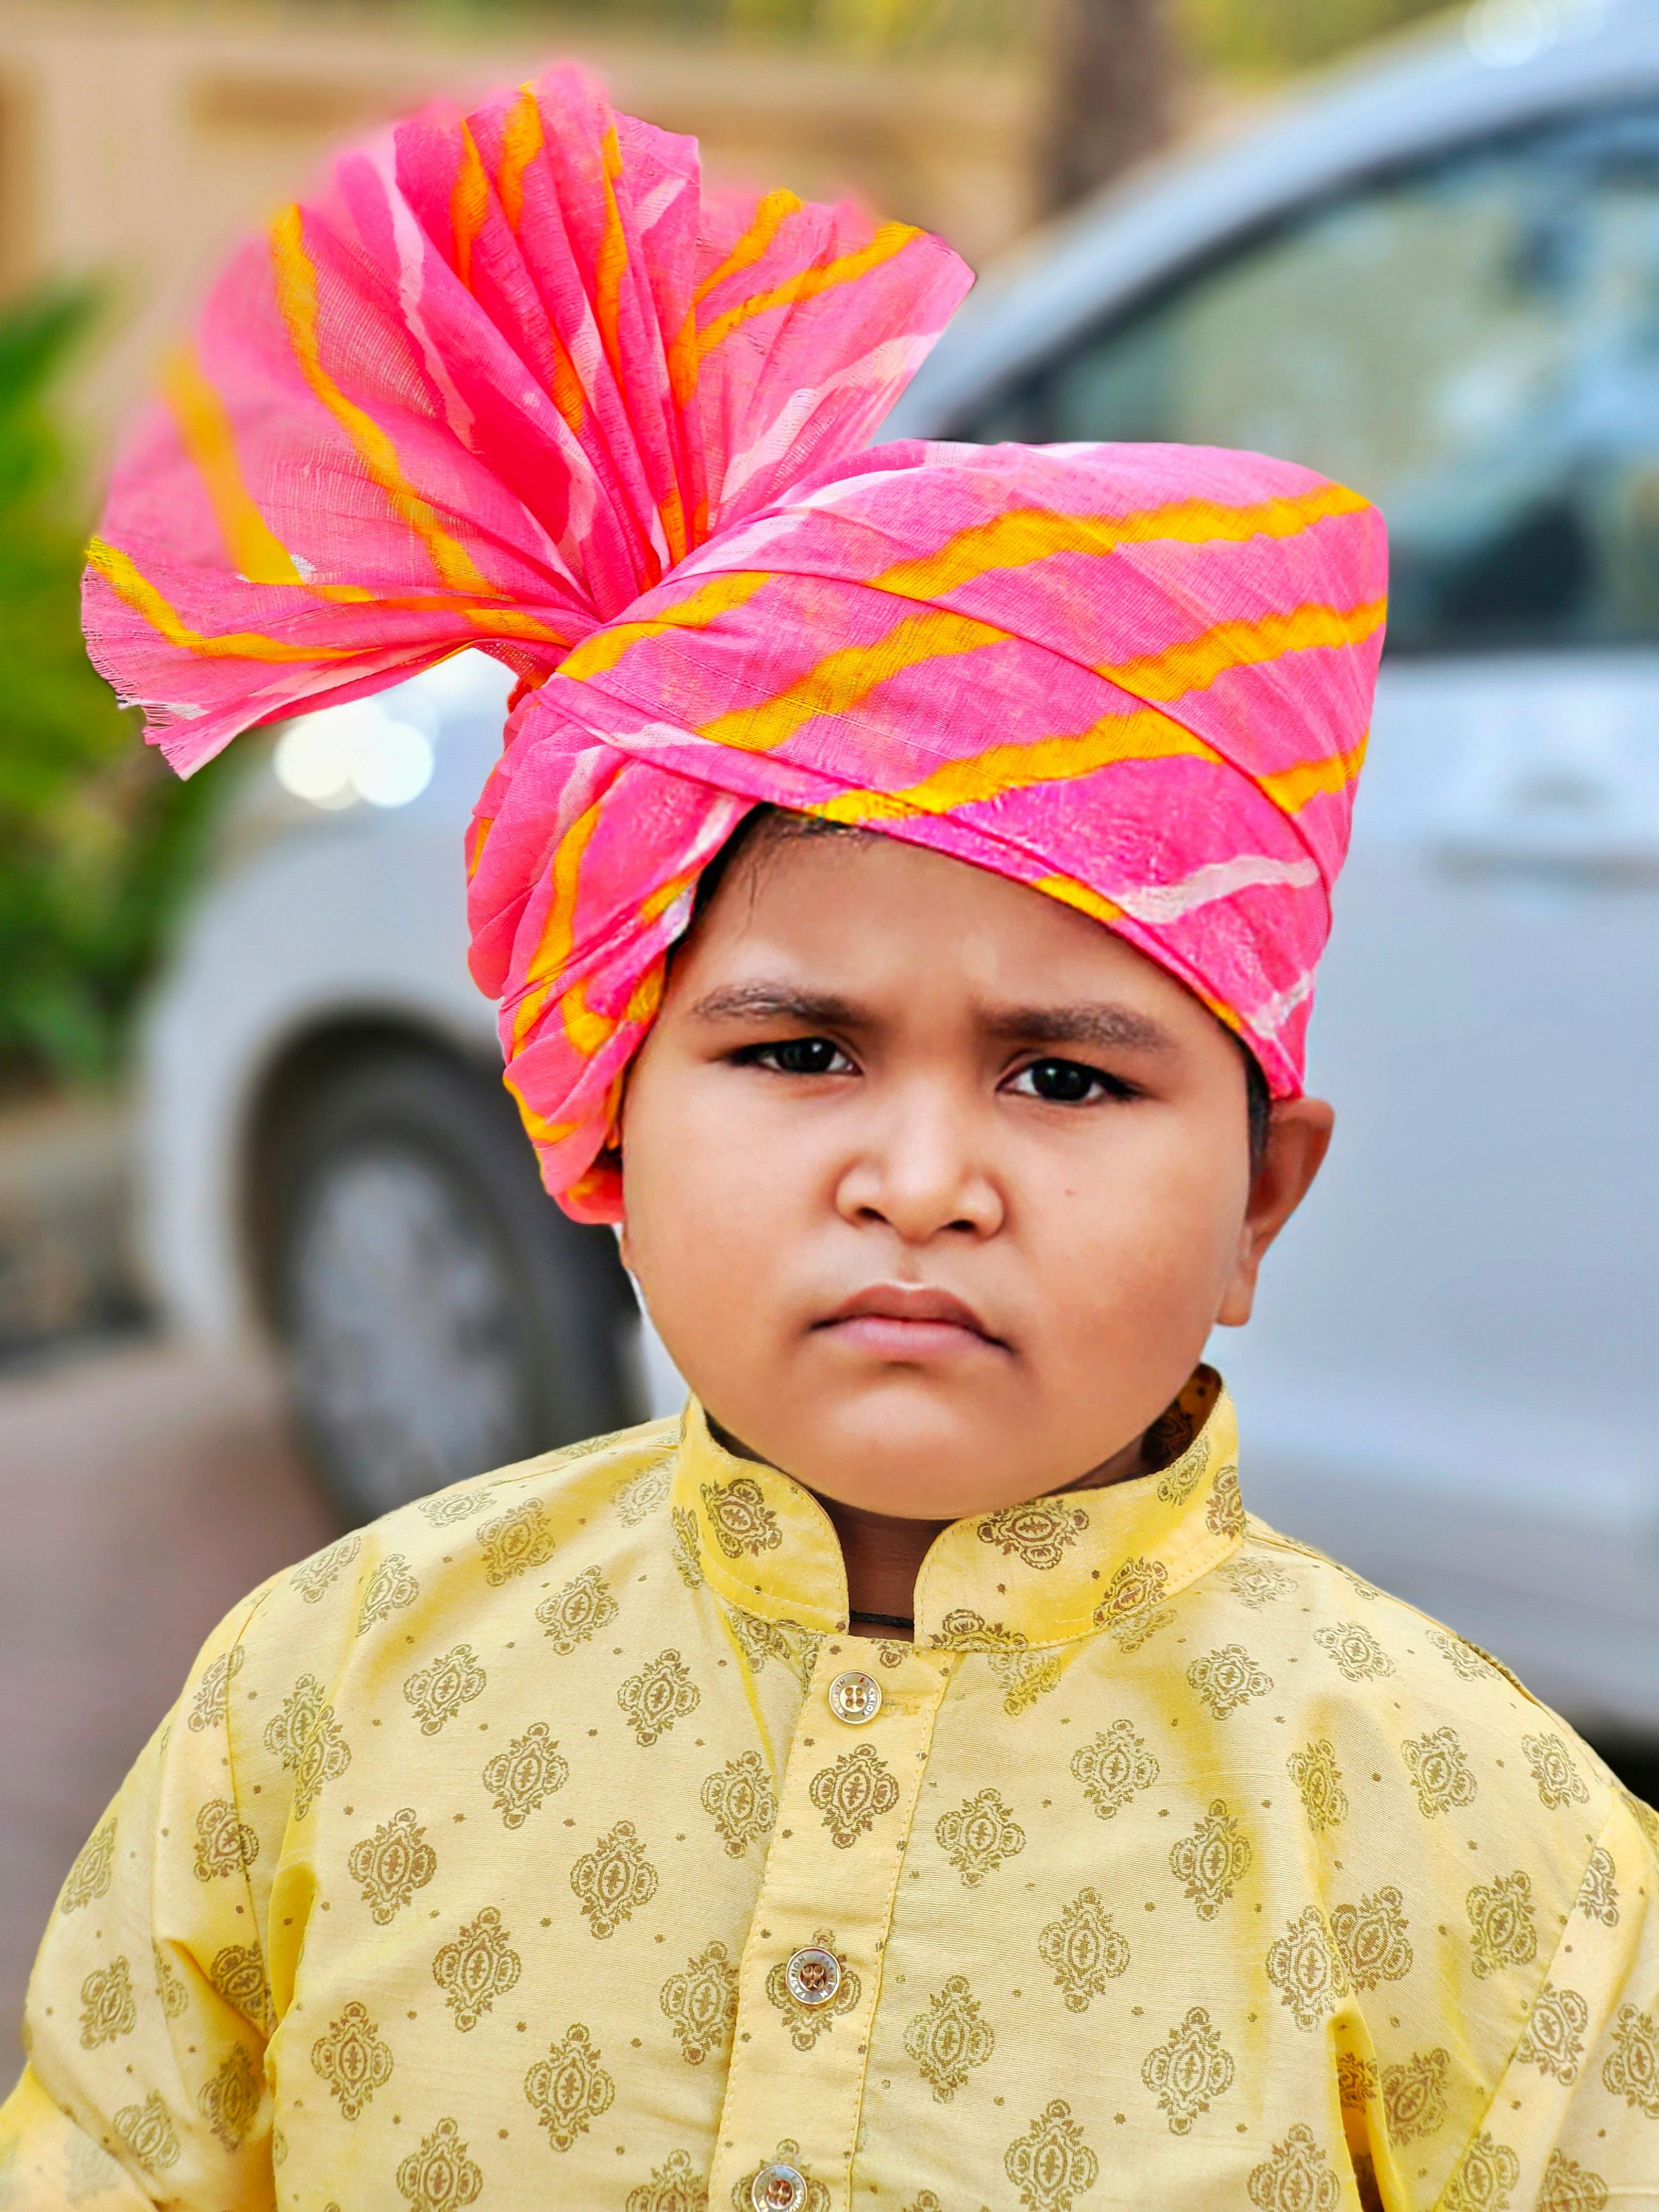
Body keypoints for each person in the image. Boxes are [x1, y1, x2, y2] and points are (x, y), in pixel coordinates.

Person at [3, 63, 1655, 2212]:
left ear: (1261, 1194)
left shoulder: (1466, 1825)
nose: (922, 1175)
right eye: (798, 1052)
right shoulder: (322, 1699)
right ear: (601, 1102)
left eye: (1065, 1076)